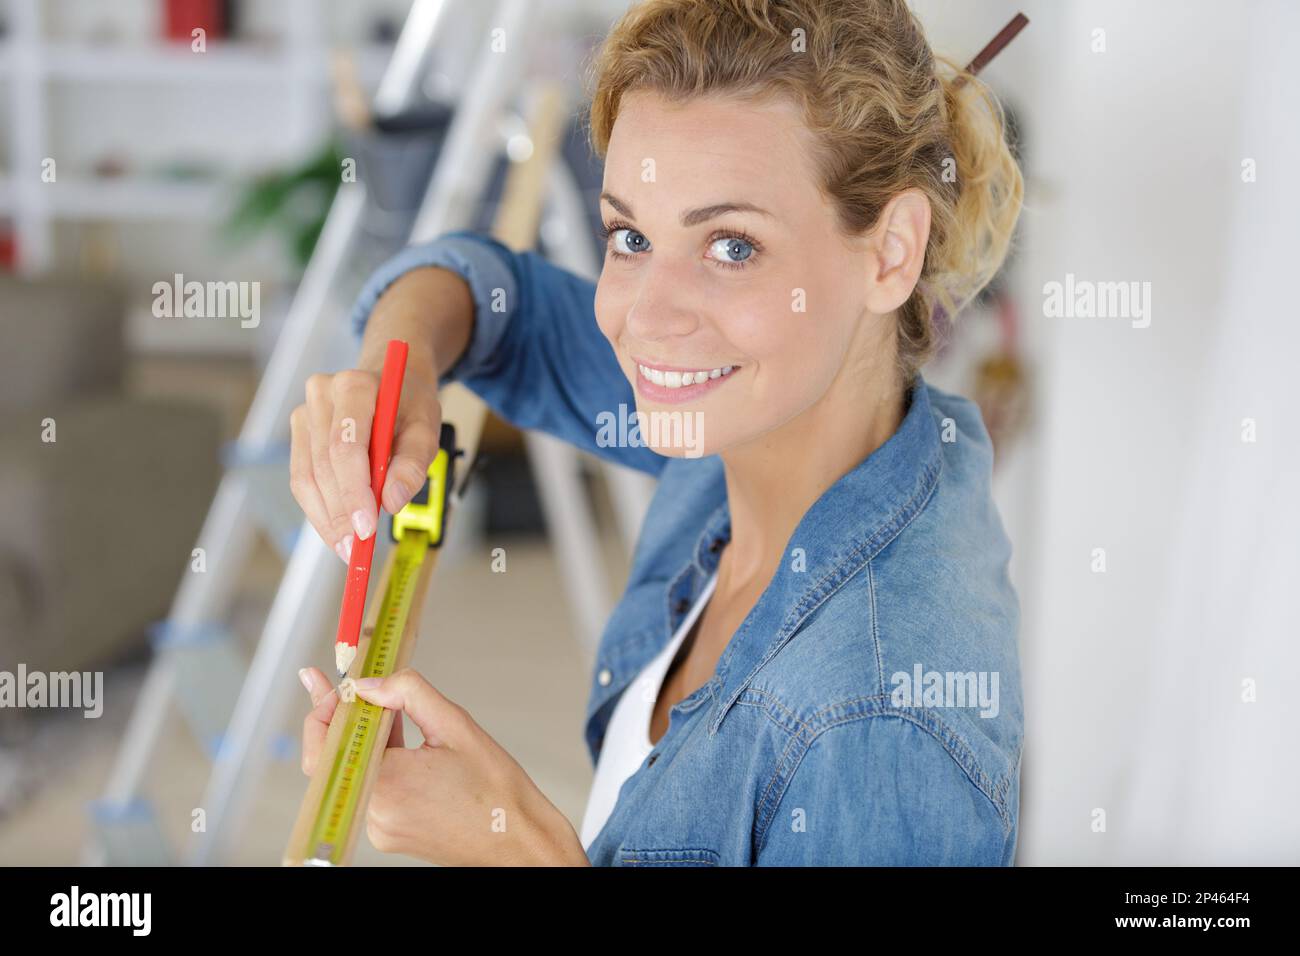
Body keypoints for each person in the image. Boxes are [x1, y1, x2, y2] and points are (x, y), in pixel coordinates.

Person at [291, 0, 1025, 866]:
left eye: (732, 247)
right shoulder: (762, 418)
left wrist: (520, 852)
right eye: (630, 235)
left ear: (892, 252)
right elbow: (500, 306)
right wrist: (395, 367)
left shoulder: (875, 728)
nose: (645, 317)